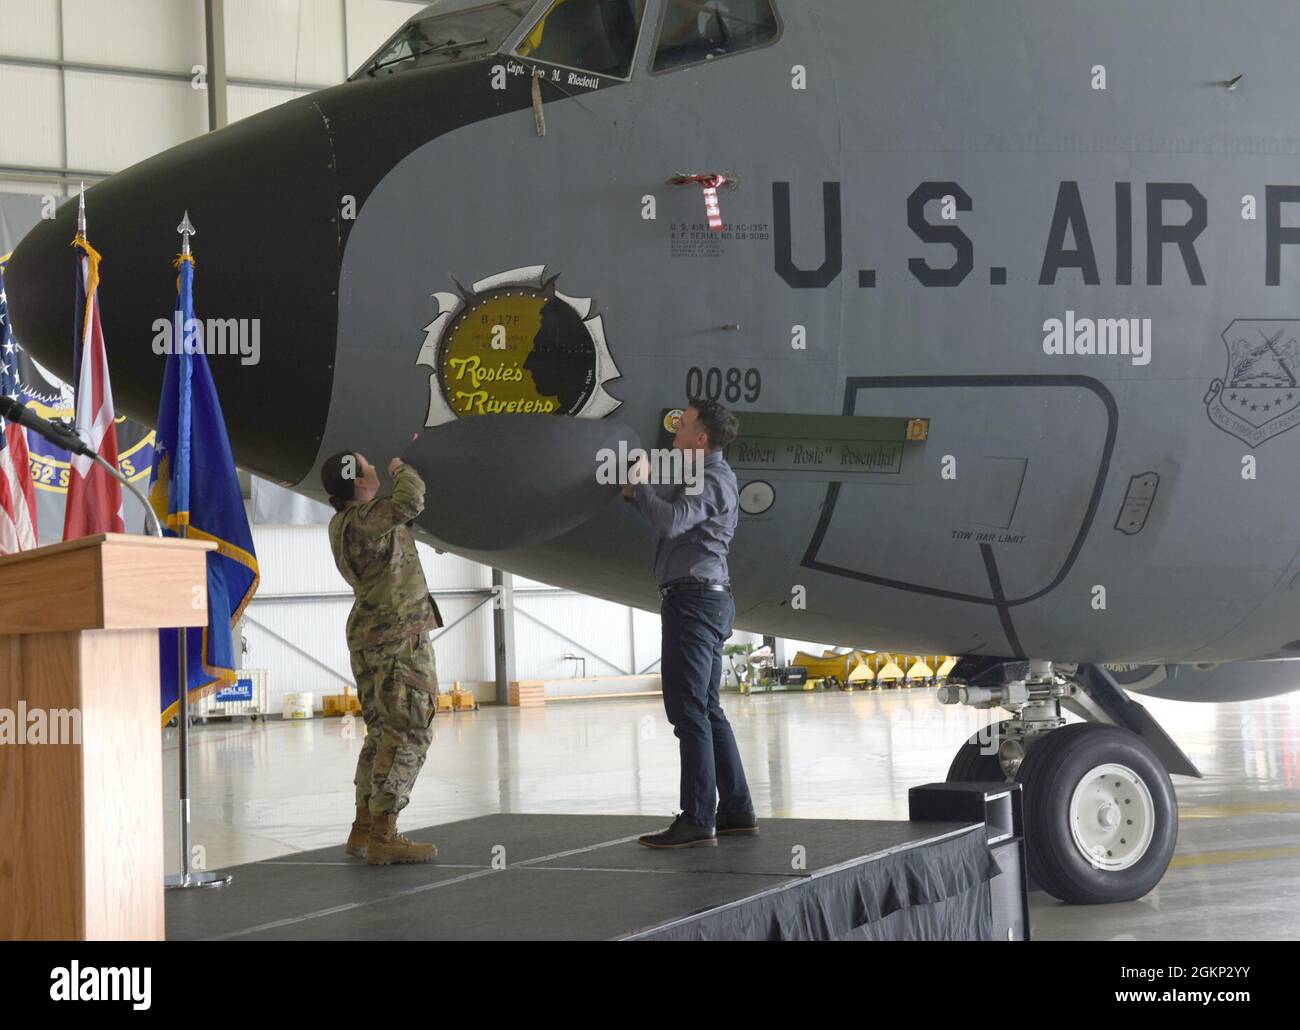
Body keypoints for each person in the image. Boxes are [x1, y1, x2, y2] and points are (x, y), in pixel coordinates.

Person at [623, 400, 757, 847]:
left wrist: (641, 486)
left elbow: (674, 520)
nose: (676, 424)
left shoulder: (714, 479)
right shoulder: (705, 478)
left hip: (694, 603)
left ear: (701, 438)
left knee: (689, 712)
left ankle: (698, 817)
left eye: (685, 421)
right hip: (703, 600)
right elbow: (675, 521)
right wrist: (638, 496)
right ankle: (736, 811)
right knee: (708, 709)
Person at [321, 451, 442, 865]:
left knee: (381, 733)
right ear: (357, 480)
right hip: (397, 639)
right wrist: (402, 468)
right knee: (409, 730)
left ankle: (364, 827)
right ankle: (385, 833)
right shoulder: (366, 518)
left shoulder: (342, 524)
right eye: (367, 465)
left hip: (371, 637)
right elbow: (410, 500)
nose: (374, 468)